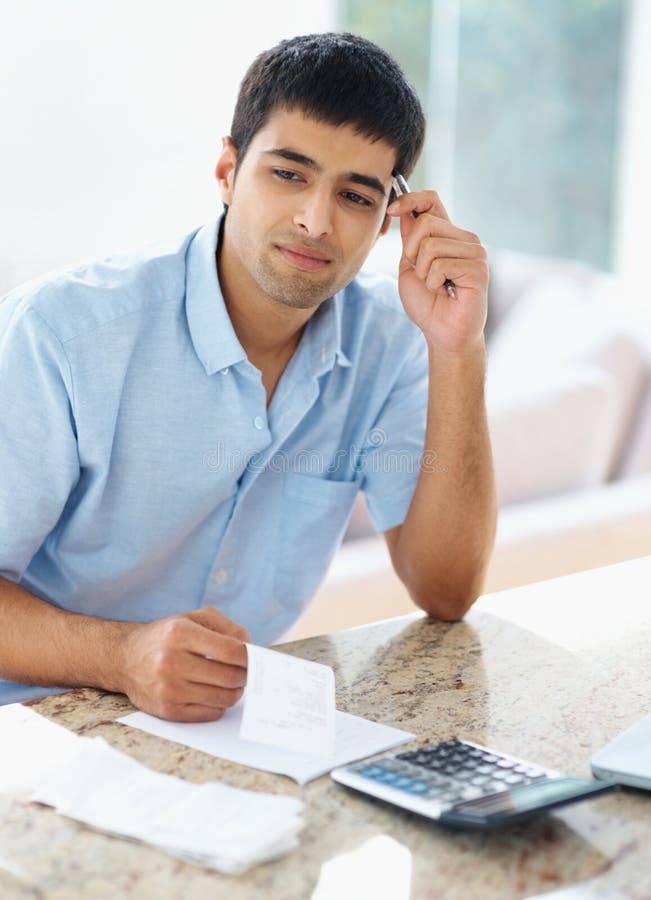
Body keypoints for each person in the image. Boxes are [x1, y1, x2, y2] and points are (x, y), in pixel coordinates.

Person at [0, 32, 495, 721]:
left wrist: (458, 350)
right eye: (288, 173)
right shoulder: (61, 333)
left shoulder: (391, 341)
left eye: (354, 195)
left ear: (388, 219)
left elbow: (446, 592)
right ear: (227, 170)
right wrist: (121, 657)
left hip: (230, 733)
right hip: (30, 729)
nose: (315, 221)